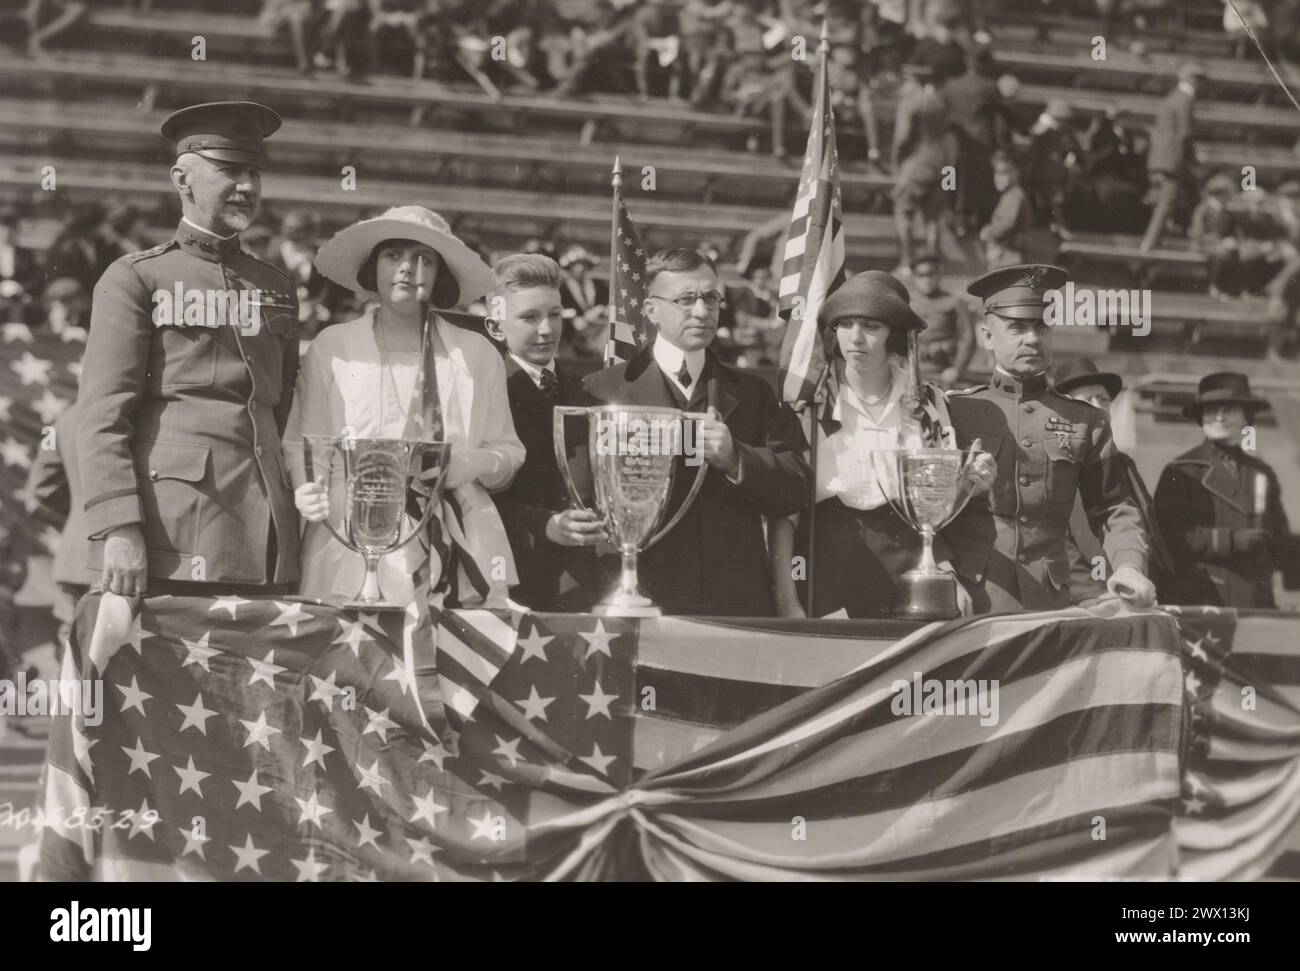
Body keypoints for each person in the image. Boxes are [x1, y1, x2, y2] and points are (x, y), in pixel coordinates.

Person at [75, 101, 302, 598]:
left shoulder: (277, 286)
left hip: (268, 541)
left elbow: (283, 412)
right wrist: (119, 526)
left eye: (253, 171)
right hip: (170, 537)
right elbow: (101, 415)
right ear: (183, 178)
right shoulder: (136, 277)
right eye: (228, 170)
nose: (246, 185)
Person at [284, 205, 523, 609]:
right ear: (373, 266)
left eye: (424, 259)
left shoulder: (477, 354)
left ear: (440, 273)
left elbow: (509, 452)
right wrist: (308, 486)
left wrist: (469, 464)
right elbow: (305, 442)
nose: (407, 269)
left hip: (456, 527)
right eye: (393, 255)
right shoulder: (334, 346)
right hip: (348, 532)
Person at [583, 247, 811, 616]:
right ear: (651, 309)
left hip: (735, 599)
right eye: (686, 299)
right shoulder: (602, 389)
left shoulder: (752, 392)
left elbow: (796, 485)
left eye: (710, 298)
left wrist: (738, 459)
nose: (703, 312)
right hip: (641, 594)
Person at [769, 270, 996, 618]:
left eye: (871, 326)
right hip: (826, 561)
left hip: (907, 560)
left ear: (893, 332)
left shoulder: (927, 404)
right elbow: (784, 514)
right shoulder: (809, 405)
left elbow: (931, 507)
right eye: (846, 325)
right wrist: (788, 601)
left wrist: (947, 573)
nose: (856, 339)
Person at [942, 264, 1157, 613]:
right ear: (987, 336)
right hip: (970, 598)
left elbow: (1113, 506)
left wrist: (1130, 566)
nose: (1032, 339)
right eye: (1017, 327)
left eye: (1041, 326)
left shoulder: (1085, 420)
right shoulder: (954, 411)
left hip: (1047, 601)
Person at [485, 252, 603, 611]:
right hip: (514, 584)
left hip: (585, 587)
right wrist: (544, 525)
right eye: (529, 317)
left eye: (555, 314)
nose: (547, 330)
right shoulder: (484, 393)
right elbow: (470, 498)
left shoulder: (588, 394)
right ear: (495, 327)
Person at [1154, 372, 1299, 607]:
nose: (1219, 417)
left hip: (1256, 599)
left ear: (1246, 416)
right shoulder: (1181, 471)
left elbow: (1279, 538)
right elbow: (1167, 535)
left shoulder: (1262, 472)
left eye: (1229, 409)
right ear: (1201, 417)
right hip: (1203, 600)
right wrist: (1230, 540)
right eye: (1211, 410)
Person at [1052, 357, 1174, 604]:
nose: (1098, 406)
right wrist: (1103, 599)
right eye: (1087, 400)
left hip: (1140, 593)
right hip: (1098, 602)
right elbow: (1065, 553)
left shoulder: (1124, 463)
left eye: (1103, 399)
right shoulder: (1059, 467)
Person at [891, 59, 955, 273]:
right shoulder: (941, 102)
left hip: (916, 161)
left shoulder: (911, 103)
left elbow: (902, 136)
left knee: (903, 211)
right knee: (933, 217)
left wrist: (896, 161)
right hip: (941, 161)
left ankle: (906, 262)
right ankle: (934, 263)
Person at [1140, 62, 1205, 251]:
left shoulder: (1171, 98)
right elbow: (1185, 133)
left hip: (1160, 158)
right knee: (1168, 202)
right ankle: (1149, 243)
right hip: (1173, 159)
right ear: (1193, 80)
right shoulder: (1185, 99)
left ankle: (1155, 240)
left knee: (1166, 200)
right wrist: (1194, 159)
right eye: (1200, 81)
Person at [909, 251, 974, 387]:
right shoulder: (907, 303)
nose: (927, 280)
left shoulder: (954, 302)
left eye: (931, 274)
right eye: (921, 275)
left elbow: (967, 338)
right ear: (914, 277)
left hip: (942, 370)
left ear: (939, 275)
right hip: (911, 369)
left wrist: (957, 369)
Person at [1189, 172, 1241, 298]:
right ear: (1219, 194)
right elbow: (1198, 232)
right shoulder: (1203, 209)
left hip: (1221, 245)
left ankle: (1231, 288)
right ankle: (1215, 285)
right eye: (1227, 194)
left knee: (1236, 252)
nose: (1229, 197)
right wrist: (1220, 242)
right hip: (1204, 244)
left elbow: (1232, 231)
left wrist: (1232, 240)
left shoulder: (1226, 211)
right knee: (1221, 253)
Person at [981, 152, 1033, 268]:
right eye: (996, 173)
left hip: (1009, 259)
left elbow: (1007, 225)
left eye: (1003, 173)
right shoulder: (1008, 195)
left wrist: (988, 231)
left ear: (1016, 173)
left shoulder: (1015, 196)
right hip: (1004, 257)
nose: (997, 178)